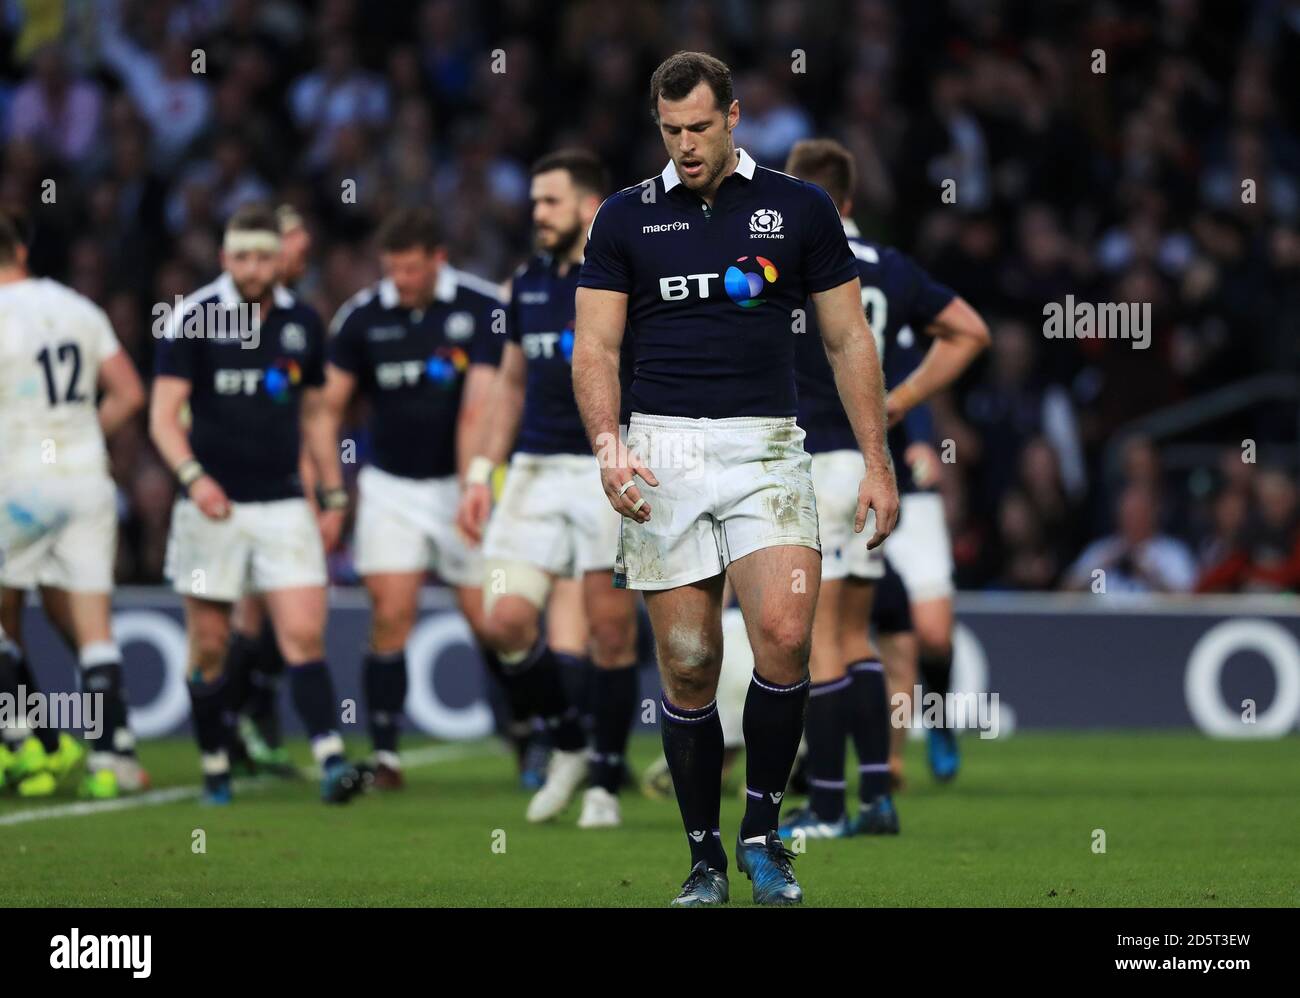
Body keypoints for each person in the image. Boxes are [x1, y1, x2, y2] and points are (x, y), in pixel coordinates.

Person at [572, 53, 898, 906]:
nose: (685, 144)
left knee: (786, 637)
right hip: (662, 451)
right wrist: (609, 445)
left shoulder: (799, 208)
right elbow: (597, 347)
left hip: (766, 449)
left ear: (734, 117)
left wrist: (877, 461)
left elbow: (847, 339)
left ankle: (762, 834)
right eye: (671, 130)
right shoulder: (621, 220)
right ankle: (704, 859)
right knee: (687, 663)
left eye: (700, 127)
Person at [777, 137, 988, 839]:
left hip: (814, 464)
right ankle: (877, 799)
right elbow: (968, 332)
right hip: (870, 468)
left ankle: (830, 807)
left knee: (821, 644)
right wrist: (898, 401)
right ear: (852, 199)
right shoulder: (889, 266)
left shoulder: (793, 259)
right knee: (859, 639)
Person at [150, 203, 362, 805]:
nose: (252, 267)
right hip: (211, 507)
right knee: (210, 646)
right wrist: (194, 479)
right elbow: (162, 417)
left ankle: (330, 760)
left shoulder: (303, 321)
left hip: (282, 503)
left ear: (280, 258)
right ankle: (215, 765)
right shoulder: (193, 318)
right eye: (241, 256)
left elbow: (319, 417)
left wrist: (332, 493)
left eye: (263, 256)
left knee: (302, 634)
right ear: (224, 258)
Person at [459, 149, 641, 828]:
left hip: (603, 467)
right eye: (534, 201)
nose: (536, 213)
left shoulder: (623, 277)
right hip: (533, 470)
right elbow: (508, 385)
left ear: (588, 207)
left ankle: (603, 782)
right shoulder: (526, 284)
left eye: (551, 202)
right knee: (502, 617)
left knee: (611, 632)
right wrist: (481, 473)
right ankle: (567, 738)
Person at [322, 207, 503, 787]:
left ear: (438, 261)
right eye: (391, 269)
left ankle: (528, 738)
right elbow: (327, 408)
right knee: (391, 616)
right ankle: (385, 754)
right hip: (391, 486)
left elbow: (497, 401)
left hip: (464, 484)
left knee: (492, 621)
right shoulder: (362, 318)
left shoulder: (481, 309)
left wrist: (479, 479)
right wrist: (332, 487)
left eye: (410, 269)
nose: (399, 280)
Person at [0, 210, 148, 799]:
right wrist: (79, 435)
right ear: (22, 252)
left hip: (17, 481)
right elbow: (130, 393)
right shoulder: (78, 307)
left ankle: (25, 742)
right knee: (94, 627)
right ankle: (112, 759)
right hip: (88, 478)